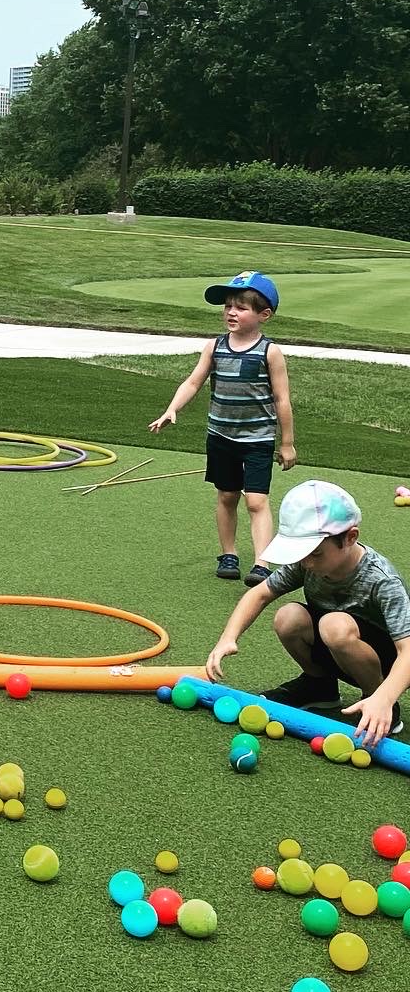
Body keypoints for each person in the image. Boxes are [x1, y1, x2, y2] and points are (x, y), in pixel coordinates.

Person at [207, 479, 409, 745]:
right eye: (302, 553)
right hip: (335, 645)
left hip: (386, 664)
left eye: (315, 554)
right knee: (288, 616)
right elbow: (260, 593)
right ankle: (319, 687)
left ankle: (378, 704)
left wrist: (385, 697)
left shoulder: (381, 580)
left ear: (350, 538)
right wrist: (228, 638)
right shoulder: (306, 563)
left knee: (334, 625)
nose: (307, 562)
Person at [148, 269, 295, 586]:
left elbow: (283, 400)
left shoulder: (270, 352)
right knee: (227, 496)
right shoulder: (214, 346)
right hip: (221, 437)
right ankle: (228, 555)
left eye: (241, 307)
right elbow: (193, 381)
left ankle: (262, 564)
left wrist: (287, 443)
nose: (231, 312)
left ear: (264, 314)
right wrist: (172, 409)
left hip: (258, 438)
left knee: (256, 501)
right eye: (228, 305)